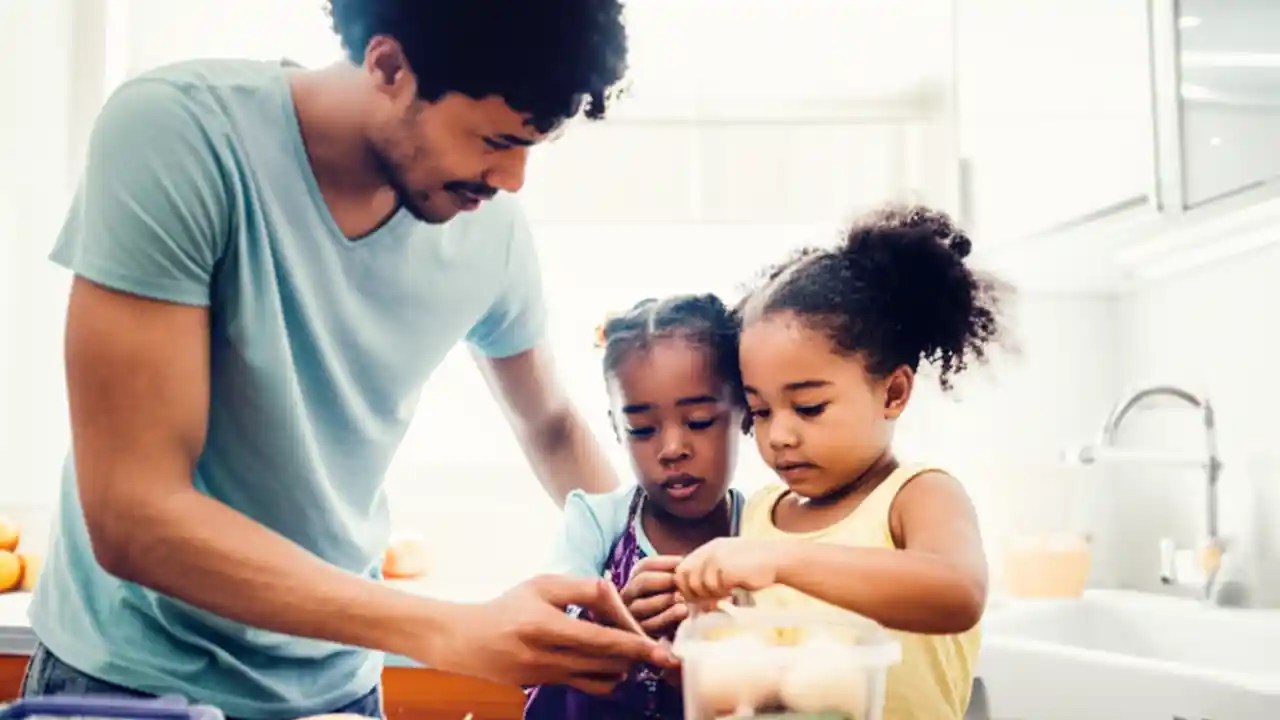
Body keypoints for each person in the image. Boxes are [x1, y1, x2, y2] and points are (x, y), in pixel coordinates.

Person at [22, 1, 675, 718]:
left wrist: (653, 567)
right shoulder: (179, 134)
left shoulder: (490, 229)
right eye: (495, 139)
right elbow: (135, 515)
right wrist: (448, 629)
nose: (513, 179)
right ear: (389, 66)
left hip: (339, 691)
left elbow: (550, 424)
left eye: (531, 146)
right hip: (132, 684)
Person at [673, 205, 1006, 719]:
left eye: (809, 408)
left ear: (893, 393)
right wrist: (702, 606)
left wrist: (782, 563)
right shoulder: (763, 513)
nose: (779, 435)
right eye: (759, 411)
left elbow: (958, 594)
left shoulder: (917, 496)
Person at [525, 294, 749, 719]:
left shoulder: (764, 532)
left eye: (699, 422)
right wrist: (612, 626)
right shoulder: (595, 522)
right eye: (642, 429)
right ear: (616, 428)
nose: (672, 449)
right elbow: (539, 645)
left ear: (744, 410)